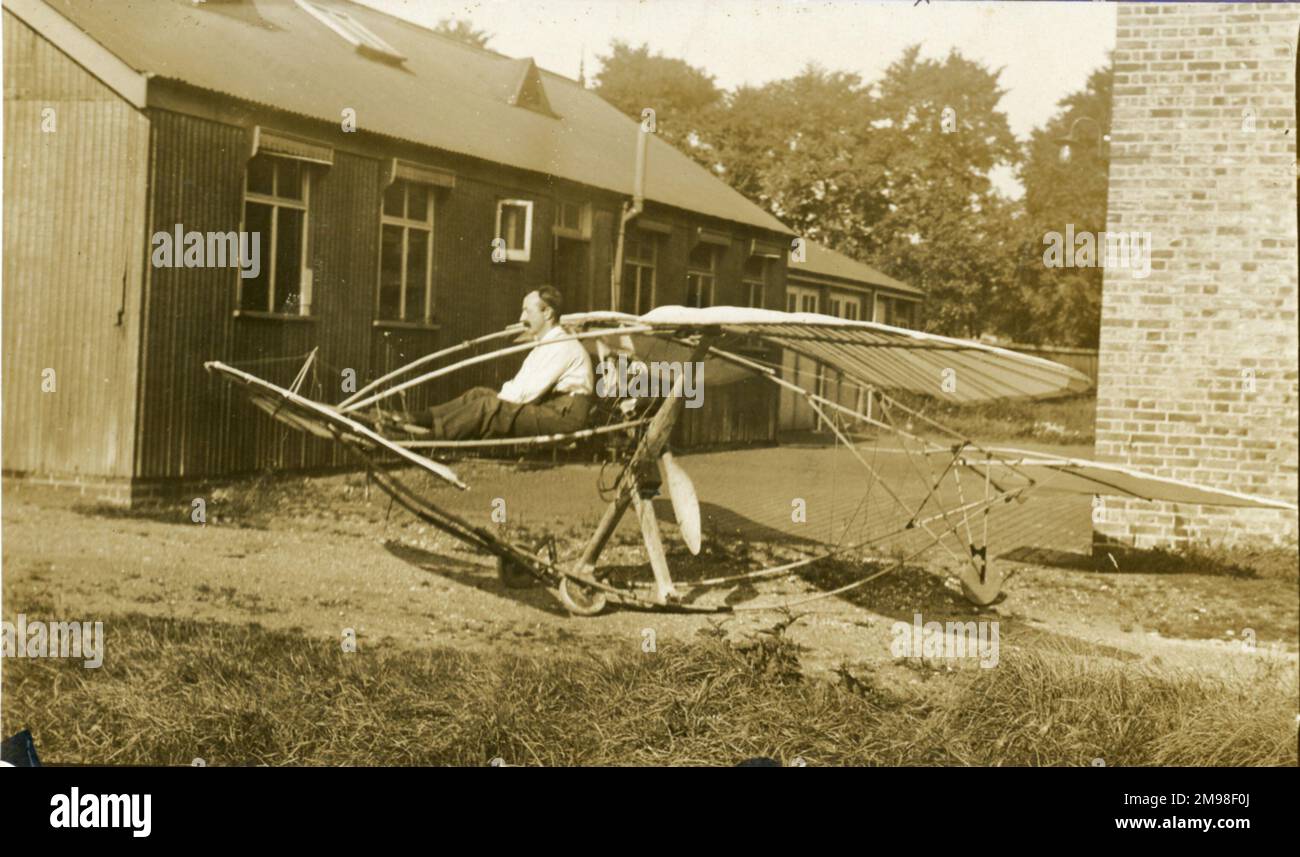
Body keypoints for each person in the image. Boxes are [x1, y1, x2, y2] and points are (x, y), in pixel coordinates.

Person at [412, 287, 594, 440]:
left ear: (547, 313)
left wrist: (496, 404)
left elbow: (525, 393)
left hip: (564, 416)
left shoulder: (560, 346)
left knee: (488, 406)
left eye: (527, 311)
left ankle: (432, 436)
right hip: (550, 408)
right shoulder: (543, 345)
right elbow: (520, 385)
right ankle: (418, 419)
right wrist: (496, 400)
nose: (522, 318)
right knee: (479, 394)